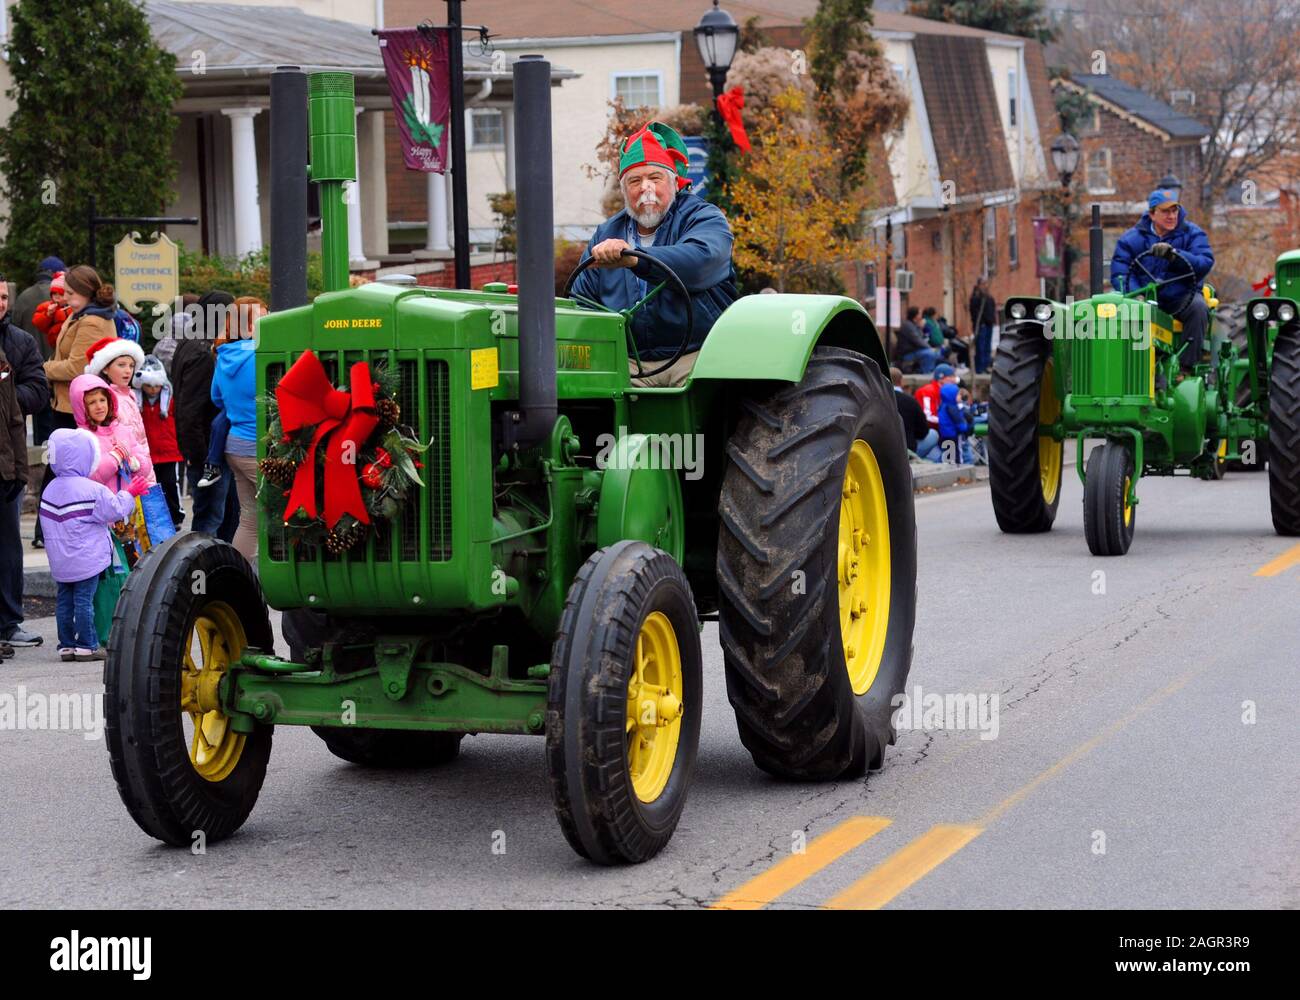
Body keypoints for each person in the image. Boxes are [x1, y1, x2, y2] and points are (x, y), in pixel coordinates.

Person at [572, 121, 737, 387]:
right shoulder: (606, 233)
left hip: (697, 353)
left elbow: (700, 261)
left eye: (655, 178)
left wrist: (635, 258)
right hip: (627, 363)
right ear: (624, 190)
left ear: (674, 182)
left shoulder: (703, 217)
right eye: (635, 181)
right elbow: (582, 301)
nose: (645, 188)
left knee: (714, 410)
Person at [39, 428, 148, 661]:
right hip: (86, 558)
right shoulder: (92, 489)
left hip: (60, 560)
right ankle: (87, 645)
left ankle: (66, 645)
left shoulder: (49, 489)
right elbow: (115, 510)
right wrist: (130, 493)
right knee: (83, 600)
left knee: (65, 601)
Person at [1111, 187, 1215, 380]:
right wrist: (1136, 295)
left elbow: (1204, 263)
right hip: (1146, 297)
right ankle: (1129, 371)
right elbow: (1122, 271)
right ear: (1152, 214)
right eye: (1165, 211)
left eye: (1174, 210)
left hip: (1181, 297)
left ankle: (1186, 370)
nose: (1171, 216)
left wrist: (1175, 256)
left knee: (1199, 308)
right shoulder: (1130, 239)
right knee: (1119, 313)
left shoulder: (1193, 234)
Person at [0, 275, 50, 649]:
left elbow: (38, 390)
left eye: (3, 297)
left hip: (8, 459)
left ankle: (8, 623)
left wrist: (4, 394)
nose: (0, 303)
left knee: (7, 544)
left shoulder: (20, 342)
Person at [171, 290, 239, 539]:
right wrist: (201, 458)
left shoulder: (191, 342)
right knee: (211, 522)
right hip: (210, 452)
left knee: (225, 518)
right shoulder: (203, 351)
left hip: (210, 450)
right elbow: (191, 411)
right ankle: (205, 573)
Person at [211, 297, 263, 563]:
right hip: (258, 445)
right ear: (248, 326)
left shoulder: (224, 355)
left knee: (250, 518)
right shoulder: (261, 354)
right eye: (263, 318)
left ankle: (239, 575)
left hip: (234, 445)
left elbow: (217, 399)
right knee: (290, 512)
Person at [0, 334, 31, 661]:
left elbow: (14, 421)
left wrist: (20, 471)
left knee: (8, 548)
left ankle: (8, 624)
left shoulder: (4, 364)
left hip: (5, 471)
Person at [11, 256, 64, 446]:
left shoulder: (24, 297)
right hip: (55, 369)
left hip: (27, 370)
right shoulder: (63, 298)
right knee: (52, 427)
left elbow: (12, 329)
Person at [134, 355, 184, 529]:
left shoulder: (170, 400)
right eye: (149, 385)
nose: (153, 390)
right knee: (151, 486)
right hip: (147, 452)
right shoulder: (137, 401)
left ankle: (175, 515)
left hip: (169, 450)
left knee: (170, 483)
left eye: (157, 385)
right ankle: (154, 517)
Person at [891, 366, 939, 461]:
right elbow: (923, 432)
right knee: (933, 434)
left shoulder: (877, 399)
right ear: (901, 382)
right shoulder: (911, 401)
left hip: (881, 448)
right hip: (907, 450)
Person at [914, 363, 956, 438]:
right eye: (950, 377)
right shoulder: (928, 391)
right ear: (941, 379)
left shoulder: (948, 391)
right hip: (928, 433)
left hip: (941, 430)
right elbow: (928, 417)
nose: (954, 379)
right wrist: (948, 421)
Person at [896, 306, 941, 373]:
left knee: (937, 352)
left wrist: (920, 327)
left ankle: (927, 370)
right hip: (907, 354)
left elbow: (921, 338)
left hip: (915, 351)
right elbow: (917, 340)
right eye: (919, 314)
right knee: (930, 353)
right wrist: (930, 348)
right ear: (915, 315)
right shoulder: (908, 325)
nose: (921, 316)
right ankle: (926, 372)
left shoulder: (914, 324)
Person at [938, 379, 974, 464]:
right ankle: (959, 469)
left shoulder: (943, 405)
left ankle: (947, 467)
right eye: (958, 394)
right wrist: (966, 427)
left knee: (947, 454)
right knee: (958, 454)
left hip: (944, 434)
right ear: (952, 395)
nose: (960, 397)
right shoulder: (953, 408)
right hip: (954, 434)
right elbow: (960, 424)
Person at [969, 277, 997, 374]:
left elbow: (992, 308)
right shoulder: (976, 297)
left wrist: (993, 320)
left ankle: (986, 365)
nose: (985, 286)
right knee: (980, 346)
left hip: (989, 324)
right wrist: (981, 322)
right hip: (981, 325)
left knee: (987, 346)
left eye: (986, 284)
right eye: (983, 284)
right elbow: (974, 312)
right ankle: (979, 368)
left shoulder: (989, 297)